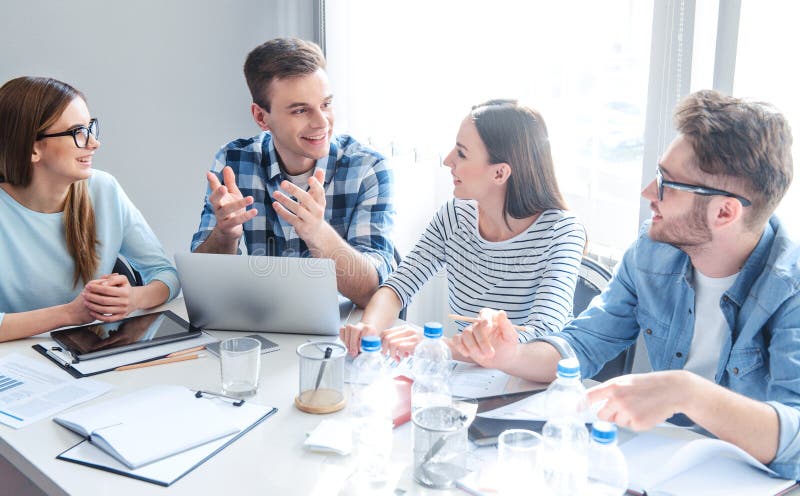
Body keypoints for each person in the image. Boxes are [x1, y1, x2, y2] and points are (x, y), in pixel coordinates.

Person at [452, 90, 799, 479]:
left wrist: (688, 392)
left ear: (724, 211)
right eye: (657, 174)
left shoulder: (790, 289)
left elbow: (796, 444)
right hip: (660, 470)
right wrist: (510, 355)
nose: (648, 193)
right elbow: (582, 344)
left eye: (667, 184)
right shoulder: (652, 252)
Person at [340, 99, 586, 357]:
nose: (448, 161)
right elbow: (397, 288)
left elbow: (543, 334)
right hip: (469, 378)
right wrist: (368, 328)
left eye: (462, 153)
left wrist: (435, 346)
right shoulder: (454, 216)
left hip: (534, 384)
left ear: (500, 174)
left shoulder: (563, 232)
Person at [190, 37, 395, 307]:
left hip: (340, 334)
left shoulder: (366, 168)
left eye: (326, 105)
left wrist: (317, 233)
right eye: (301, 110)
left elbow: (373, 293)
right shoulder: (233, 161)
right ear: (261, 117)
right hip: (261, 325)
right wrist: (225, 234)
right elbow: (204, 283)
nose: (322, 122)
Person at [0, 77, 179, 342]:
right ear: (33, 148)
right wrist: (69, 314)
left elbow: (165, 274)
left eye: (91, 128)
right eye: (77, 132)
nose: (94, 143)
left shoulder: (104, 190)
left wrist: (132, 298)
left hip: (94, 356)